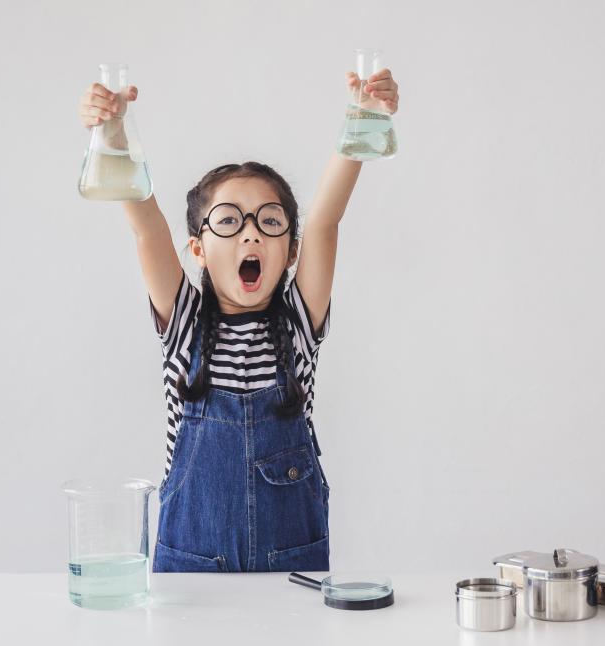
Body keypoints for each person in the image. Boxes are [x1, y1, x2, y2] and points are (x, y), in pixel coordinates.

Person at [76, 68, 400, 572]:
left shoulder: (298, 325)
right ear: (199, 249)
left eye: (269, 222)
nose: (250, 235)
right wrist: (113, 135)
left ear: (292, 250)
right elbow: (145, 228)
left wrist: (364, 121)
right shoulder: (183, 321)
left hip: (290, 579)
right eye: (229, 221)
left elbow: (326, 223)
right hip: (190, 578)